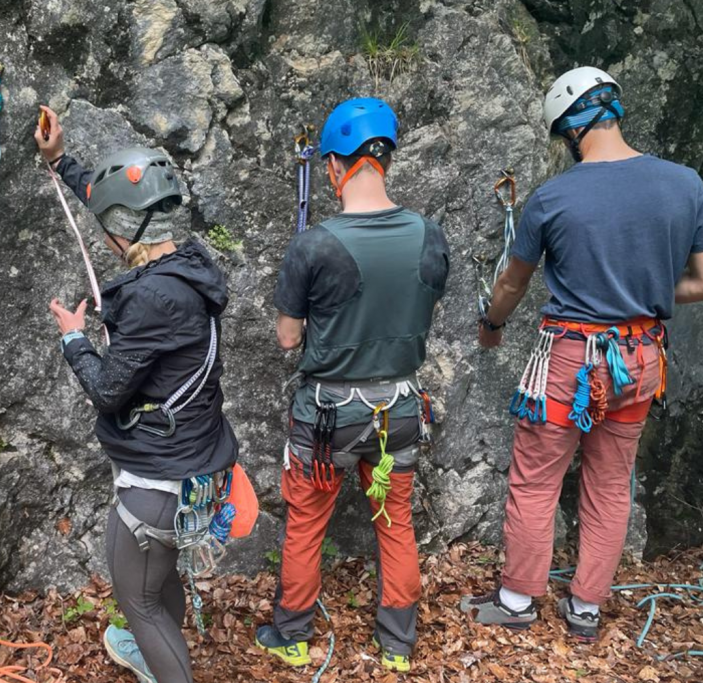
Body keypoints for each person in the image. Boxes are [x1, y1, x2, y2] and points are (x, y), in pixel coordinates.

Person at [462, 67, 703, 642]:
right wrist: (638, 288)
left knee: (536, 479)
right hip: (641, 357)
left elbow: (513, 285)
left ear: (571, 130)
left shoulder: (554, 197)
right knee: (611, 482)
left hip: (569, 359)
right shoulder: (686, 183)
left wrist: (491, 326)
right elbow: (698, 282)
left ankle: (518, 598)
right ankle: (586, 608)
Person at [35, 106, 240, 683]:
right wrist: (61, 163)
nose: (104, 239)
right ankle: (155, 657)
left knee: (140, 600)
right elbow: (119, 205)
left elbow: (107, 391)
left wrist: (74, 341)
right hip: (196, 466)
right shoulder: (188, 265)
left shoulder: (152, 299)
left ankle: (164, 665)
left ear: (124, 230)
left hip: (158, 482)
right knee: (160, 581)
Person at [255, 98, 450, 674]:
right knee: (395, 522)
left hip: (328, 414)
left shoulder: (314, 244)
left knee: (307, 522)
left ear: (335, 166)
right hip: (401, 406)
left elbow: (288, 338)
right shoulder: (429, 234)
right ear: (384, 159)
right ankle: (397, 647)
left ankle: (291, 634)